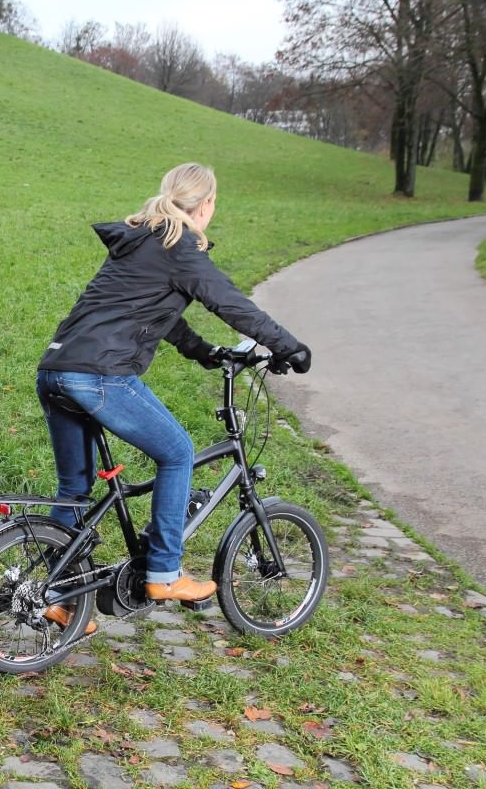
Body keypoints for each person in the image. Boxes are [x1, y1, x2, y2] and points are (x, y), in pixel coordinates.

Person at [36, 163, 310, 630]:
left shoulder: (142, 242)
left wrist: (203, 352)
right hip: (102, 375)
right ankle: (164, 572)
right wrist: (289, 347)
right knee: (178, 452)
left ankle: (55, 596)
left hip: (56, 369)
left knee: (73, 490)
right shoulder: (178, 246)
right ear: (207, 205)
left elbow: (160, 312)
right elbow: (230, 303)